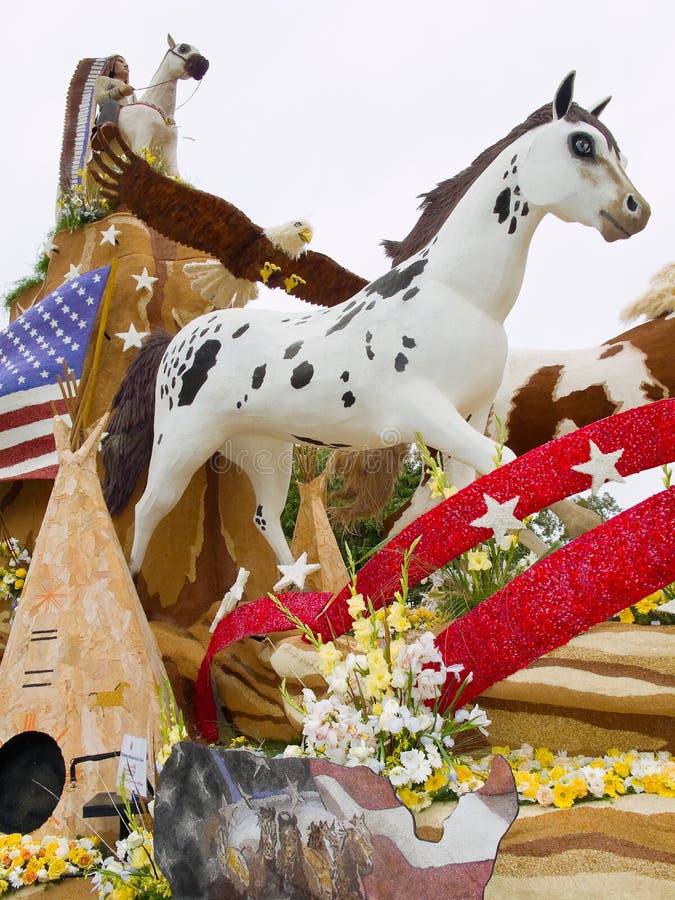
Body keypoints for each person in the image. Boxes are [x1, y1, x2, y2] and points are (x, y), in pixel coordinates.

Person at [92, 55, 136, 147]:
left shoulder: (132, 94)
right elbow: (100, 98)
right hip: (112, 114)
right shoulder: (104, 80)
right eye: (120, 61)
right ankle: (104, 131)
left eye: (126, 63)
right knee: (111, 103)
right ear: (111, 65)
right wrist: (120, 92)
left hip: (129, 121)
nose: (126, 65)